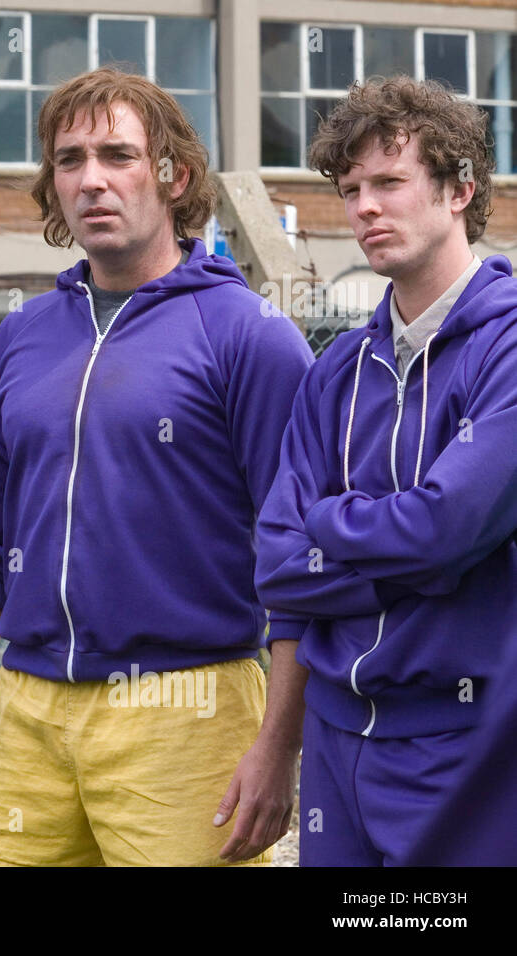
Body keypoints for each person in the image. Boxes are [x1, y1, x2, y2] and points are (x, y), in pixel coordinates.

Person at [0, 68, 314, 866]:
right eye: (69, 161)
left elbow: (302, 565)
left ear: (172, 175)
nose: (91, 179)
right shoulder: (21, 338)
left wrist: (279, 747)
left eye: (118, 155)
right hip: (27, 708)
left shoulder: (249, 334)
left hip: (188, 705)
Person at [255, 76, 517, 866]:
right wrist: (425, 560)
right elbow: (274, 564)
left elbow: (443, 528)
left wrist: (332, 521)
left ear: (460, 188)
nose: (366, 206)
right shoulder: (335, 371)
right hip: (338, 747)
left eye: (391, 181)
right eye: (351, 189)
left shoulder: (507, 348)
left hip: (465, 742)